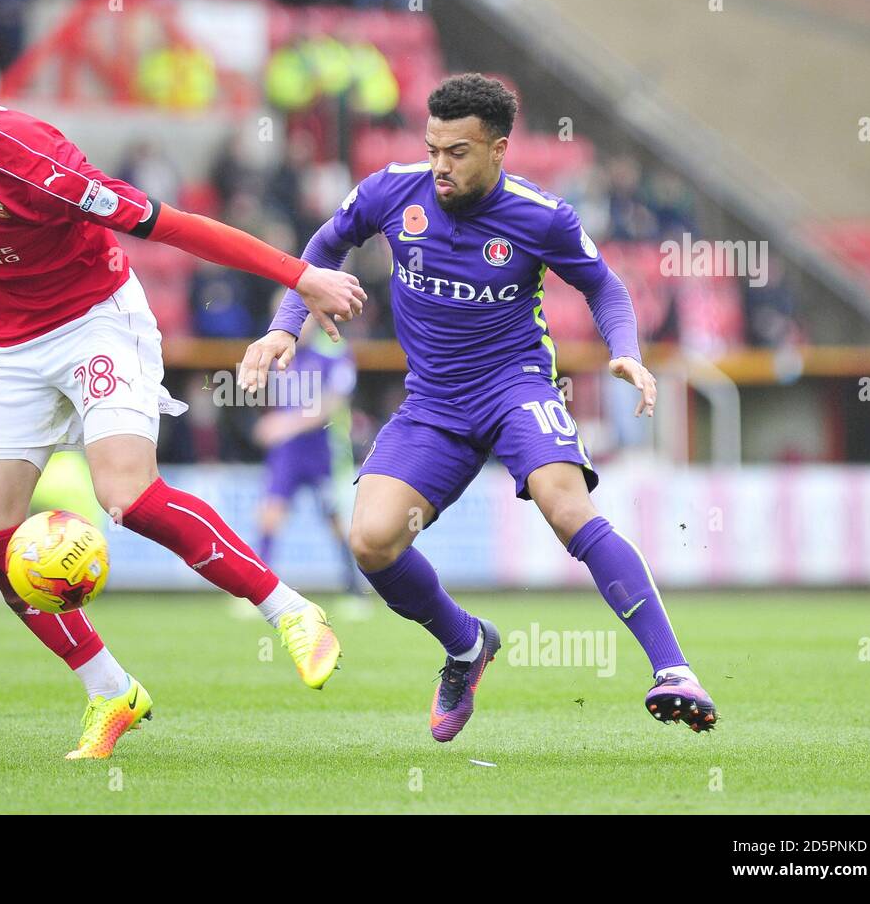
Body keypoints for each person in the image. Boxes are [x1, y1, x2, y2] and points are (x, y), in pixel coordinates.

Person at [0, 62, 366, 759]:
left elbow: (175, 226)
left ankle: (292, 611)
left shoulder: (45, 168)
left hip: (95, 320)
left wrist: (299, 274)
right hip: (7, 345)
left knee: (125, 493)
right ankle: (110, 689)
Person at [241, 73, 716, 742]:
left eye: (457, 152)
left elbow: (604, 286)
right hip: (432, 402)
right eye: (433, 147)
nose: (440, 164)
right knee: (371, 541)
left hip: (515, 388)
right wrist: (286, 324)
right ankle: (466, 644)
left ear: (498, 149)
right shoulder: (390, 191)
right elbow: (322, 249)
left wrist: (626, 350)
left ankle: (672, 669)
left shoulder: (540, 215)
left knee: (567, 506)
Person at [253, 314, 365, 607]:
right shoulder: (280, 359)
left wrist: (284, 425)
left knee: (336, 522)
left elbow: (330, 406)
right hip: (287, 455)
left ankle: (355, 593)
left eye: (297, 317)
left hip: (323, 452)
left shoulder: (334, 354)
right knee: (270, 517)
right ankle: (258, 593)